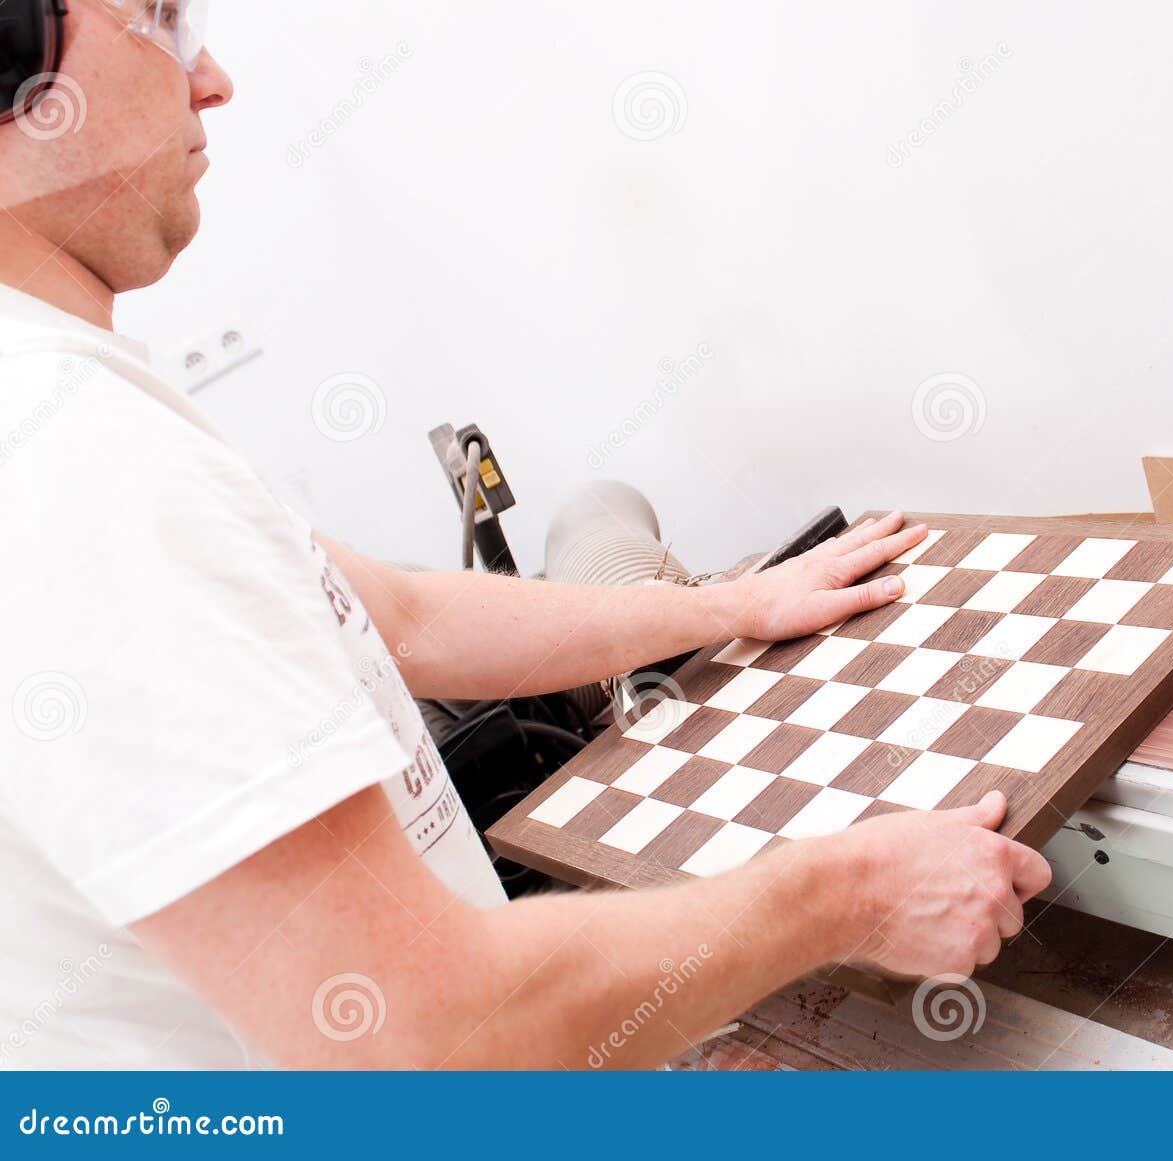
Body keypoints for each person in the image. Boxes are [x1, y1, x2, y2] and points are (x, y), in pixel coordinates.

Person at [0, 1, 1052, 1069]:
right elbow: (431, 1038)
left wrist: (732, 605)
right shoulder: (68, 462)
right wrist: (854, 894)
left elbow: (402, 614)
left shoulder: (70, 409)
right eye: (158, 18)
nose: (211, 76)